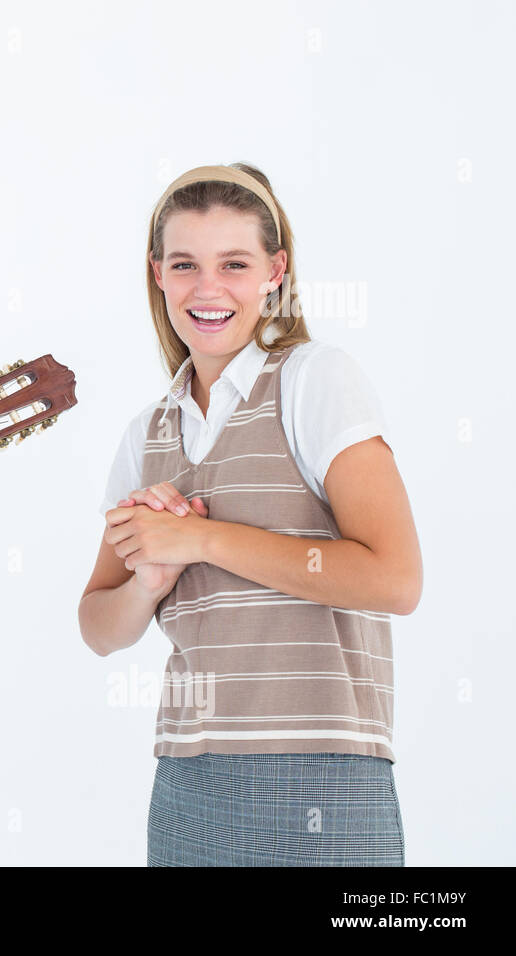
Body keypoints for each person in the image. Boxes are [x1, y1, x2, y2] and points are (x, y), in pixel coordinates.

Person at [78, 163, 422, 866]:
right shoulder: (148, 431)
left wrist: (203, 537)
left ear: (276, 271)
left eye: (234, 264)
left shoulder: (315, 380)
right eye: (184, 265)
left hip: (323, 781)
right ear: (158, 275)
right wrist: (151, 578)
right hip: (186, 787)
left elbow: (396, 579)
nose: (208, 289)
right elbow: (97, 628)